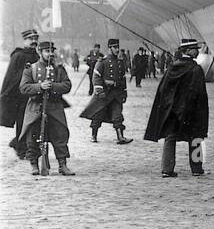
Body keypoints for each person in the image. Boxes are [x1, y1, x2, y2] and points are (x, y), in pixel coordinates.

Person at [144, 38, 209, 177]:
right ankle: (197, 169)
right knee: (196, 137)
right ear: (188, 51)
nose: (197, 51)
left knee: (170, 137)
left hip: (173, 111)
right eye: (194, 48)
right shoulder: (196, 69)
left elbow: (163, 90)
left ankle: (167, 169)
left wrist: (170, 106)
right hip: (191, 111)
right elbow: (199, 93)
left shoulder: (172, 67)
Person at [18, 41, 75, 176]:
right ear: (40, 52)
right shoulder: (30, 68)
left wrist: (53, 86)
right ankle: (34, 165)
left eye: (51, 51)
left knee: (60, 135)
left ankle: (62, 165)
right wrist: (40, 87)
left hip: (54, 107)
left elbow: (67, 85)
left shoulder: (59, 68)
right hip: (36, 107)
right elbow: (23, 87)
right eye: (46, 51)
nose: (50, 54)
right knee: (33, 137)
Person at [80, 38, 133, 144]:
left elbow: (123, 78)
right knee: (98, 114)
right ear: (110, 48)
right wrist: (99, 91)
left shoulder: (120, 62)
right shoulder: (102, 62)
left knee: (118, 115)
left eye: (118, 47)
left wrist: (124, 92)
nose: (117, 50)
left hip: (116, 94)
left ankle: (120, 137)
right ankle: (94, 135)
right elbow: (96, 77)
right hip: (104, 94)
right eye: (115, 47)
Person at [2, 28, 41, 158]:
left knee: (35, 122)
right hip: (20, 96)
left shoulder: (37, 56)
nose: (34, 41)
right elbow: (11, 77)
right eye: (31, 39)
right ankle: (21, 149)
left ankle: (21, 143)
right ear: (24, 40)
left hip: (35, 94)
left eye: (36, 39)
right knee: (22, 122)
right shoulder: (18, 55)